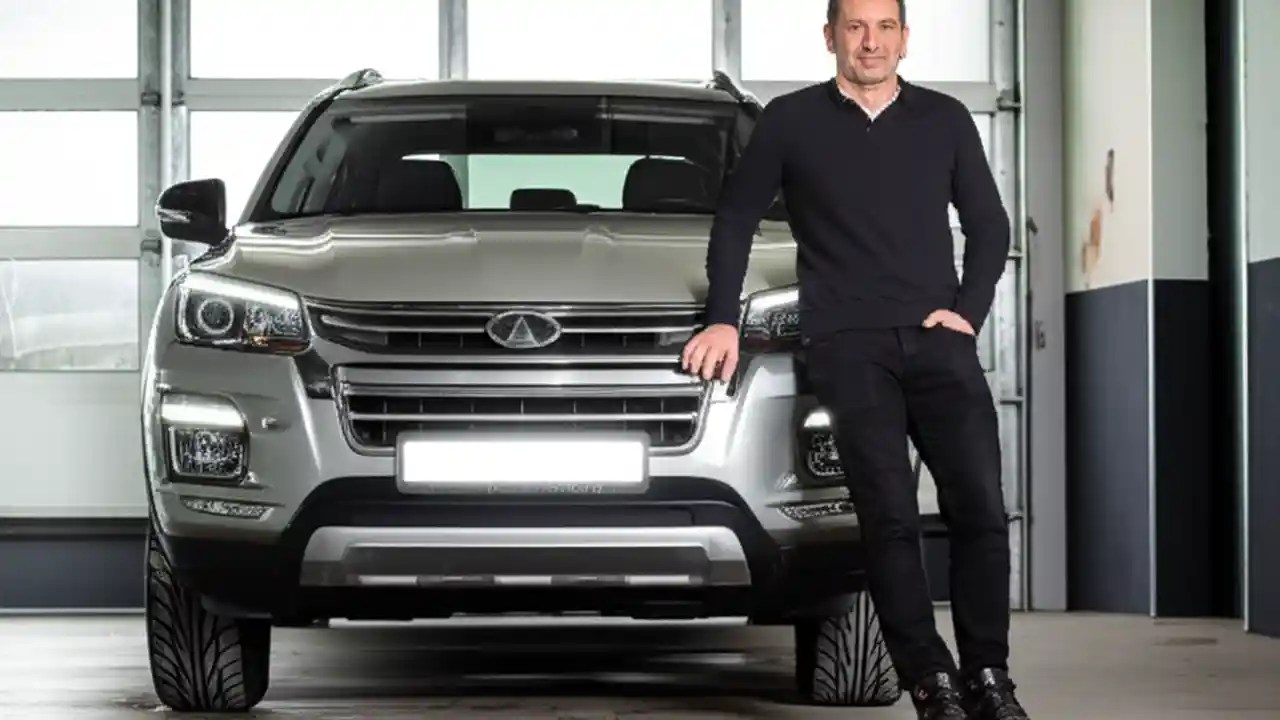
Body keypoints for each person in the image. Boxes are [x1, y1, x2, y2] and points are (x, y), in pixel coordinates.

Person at [680, 0, 1030, 718]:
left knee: (981, 513)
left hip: (939, 342)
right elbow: (738, 217)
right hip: (847, 347)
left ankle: (988, 677)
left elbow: (988, 224)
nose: (870, 41)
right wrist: (721, 319)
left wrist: (967, 313)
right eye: (856, 27)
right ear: (831, 36)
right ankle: (930, 681)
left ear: (905, 39)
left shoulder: (944, 120)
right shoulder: (790, 121)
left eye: (885, 27)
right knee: (888, 517)